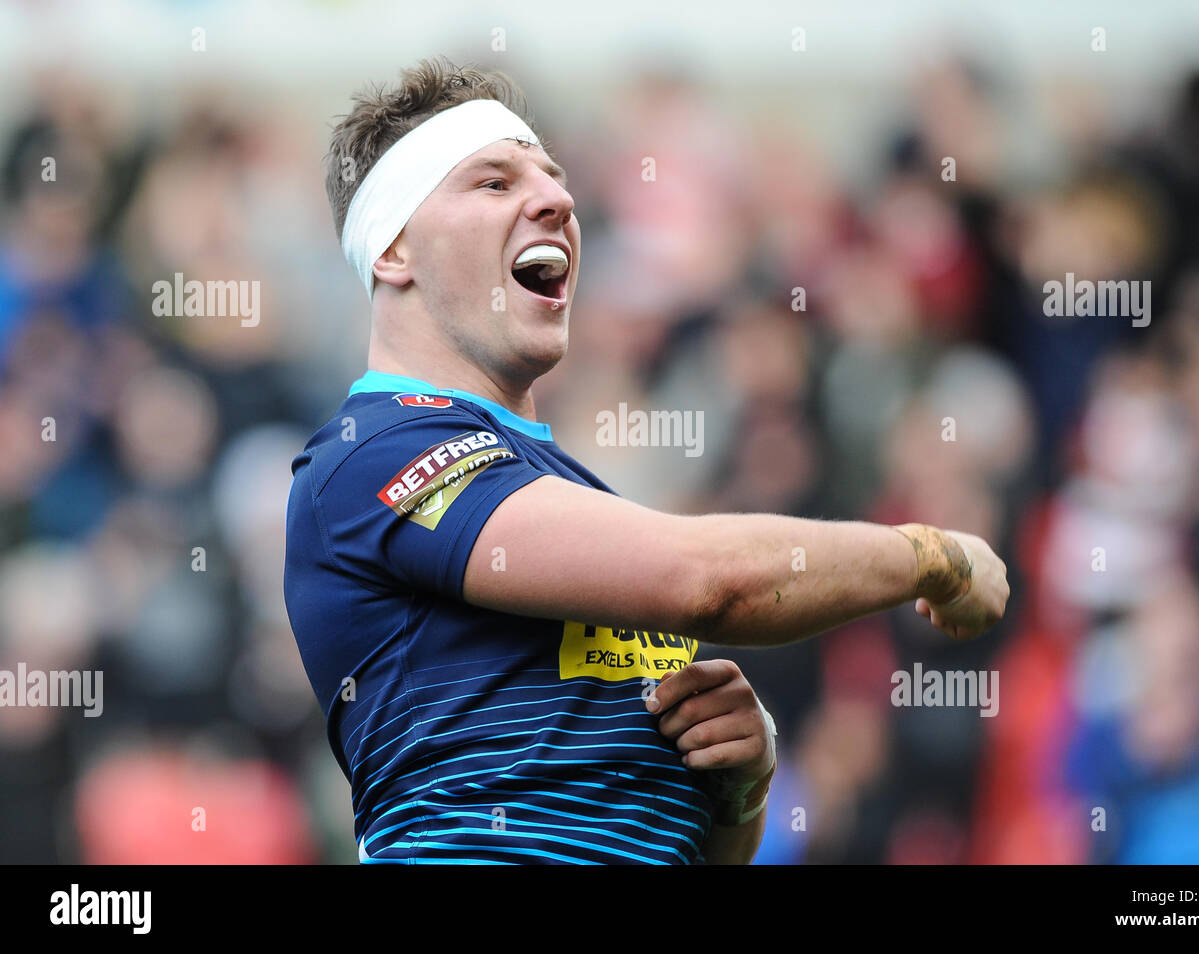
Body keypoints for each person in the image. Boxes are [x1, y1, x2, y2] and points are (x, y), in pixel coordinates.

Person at [283, 57, 1009, 865]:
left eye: (554, 180)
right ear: (393, 251)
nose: (557, 200)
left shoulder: (572, 494)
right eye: (494, 183)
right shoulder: (374, 453)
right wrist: (931, 556)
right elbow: (707, 580)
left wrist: (739, 788)